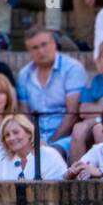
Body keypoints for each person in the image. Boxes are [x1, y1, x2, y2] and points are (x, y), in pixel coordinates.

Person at [16, 27, 87, 162]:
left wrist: (49, 143)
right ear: (29, 52)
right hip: (34, 136)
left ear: (54, 43)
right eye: (35, 48)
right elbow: (25, 114)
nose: (41, 51)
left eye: (44, 44)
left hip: (65, 137)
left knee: (49, 156)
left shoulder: (72, 68)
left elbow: (72, 114)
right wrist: (35, 140)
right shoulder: (24, 74)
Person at [0, 112, 68, 180]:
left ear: (29, 133)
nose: (11, 138)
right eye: (7, 135)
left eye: (16, 132)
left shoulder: (50, 155)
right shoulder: (3, 164)